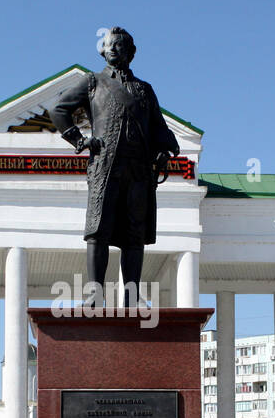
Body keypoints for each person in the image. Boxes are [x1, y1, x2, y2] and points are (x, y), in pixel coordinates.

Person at [48, 27, 179, 307]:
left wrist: (167, 149)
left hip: (139, 171)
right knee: (99, 230)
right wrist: (80, 140)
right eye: (109, 45)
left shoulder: (144, 90)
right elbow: (59, 110)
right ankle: (95, 296)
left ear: (131, 52)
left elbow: (159, 127)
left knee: (135, 234)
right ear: (102, 50)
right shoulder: (93, 82)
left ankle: (131, 297)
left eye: (119, 46)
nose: (113, 49)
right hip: (105, 168)